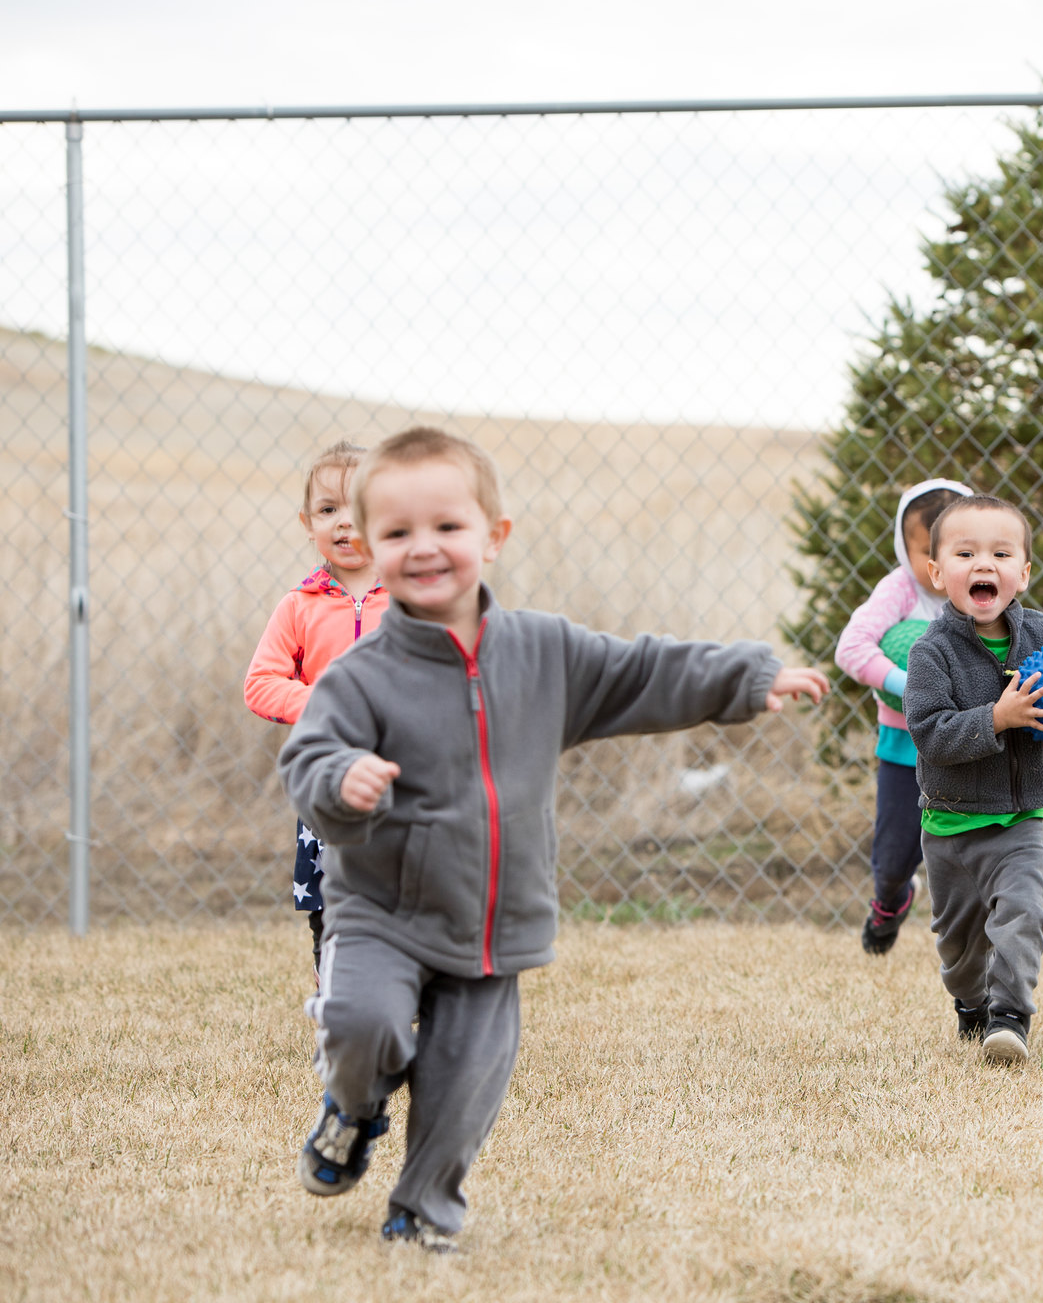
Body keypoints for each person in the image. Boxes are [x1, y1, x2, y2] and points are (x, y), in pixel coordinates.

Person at [279, 426, 826, 1251]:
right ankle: (352, 1108)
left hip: (490, 923)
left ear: (493, 537)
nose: (423, 548)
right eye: (397, 533)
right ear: (368, 545)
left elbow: (644, 671)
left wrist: (745, 677)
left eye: (447, 528)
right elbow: (309, 756)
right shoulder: (360, 675)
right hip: (381, 912)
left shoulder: (544, 653)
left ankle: (424, 1208)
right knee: (365, 1022)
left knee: (464, 1083)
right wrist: (341, 780)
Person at [902, 494, 1043, 1065]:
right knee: (958, 946)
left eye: (1001, 553)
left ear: (1022, 573)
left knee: (1023, 913)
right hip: (951, 823)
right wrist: (995, 719)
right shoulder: (934, 654)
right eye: (965, 552)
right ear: (936, 572)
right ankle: (971, 1002)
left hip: (1022, 819)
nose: (984, 565)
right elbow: (929, 735)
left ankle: (1009, 1018)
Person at [245, 441, 389, 971]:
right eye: (330, 510)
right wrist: (322, 702)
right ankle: (341, 1006)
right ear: (309, 523)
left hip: (403, 775)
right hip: (328, 779)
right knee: (331, 903)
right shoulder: (298, 606)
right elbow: (261, 682)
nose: (345, 523)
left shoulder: (414, 602)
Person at [834, 478, 972, 954]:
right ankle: (891, 901)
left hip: (968, 746)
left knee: (969, 857)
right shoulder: (898, 591)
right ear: (904, 547)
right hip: (904, 748)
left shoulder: (981, 594)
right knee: (894, 860)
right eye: (922, 552)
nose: (936, 567)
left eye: (955, 551)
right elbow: (850, 649)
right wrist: (904, 684)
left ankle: (977, 942)